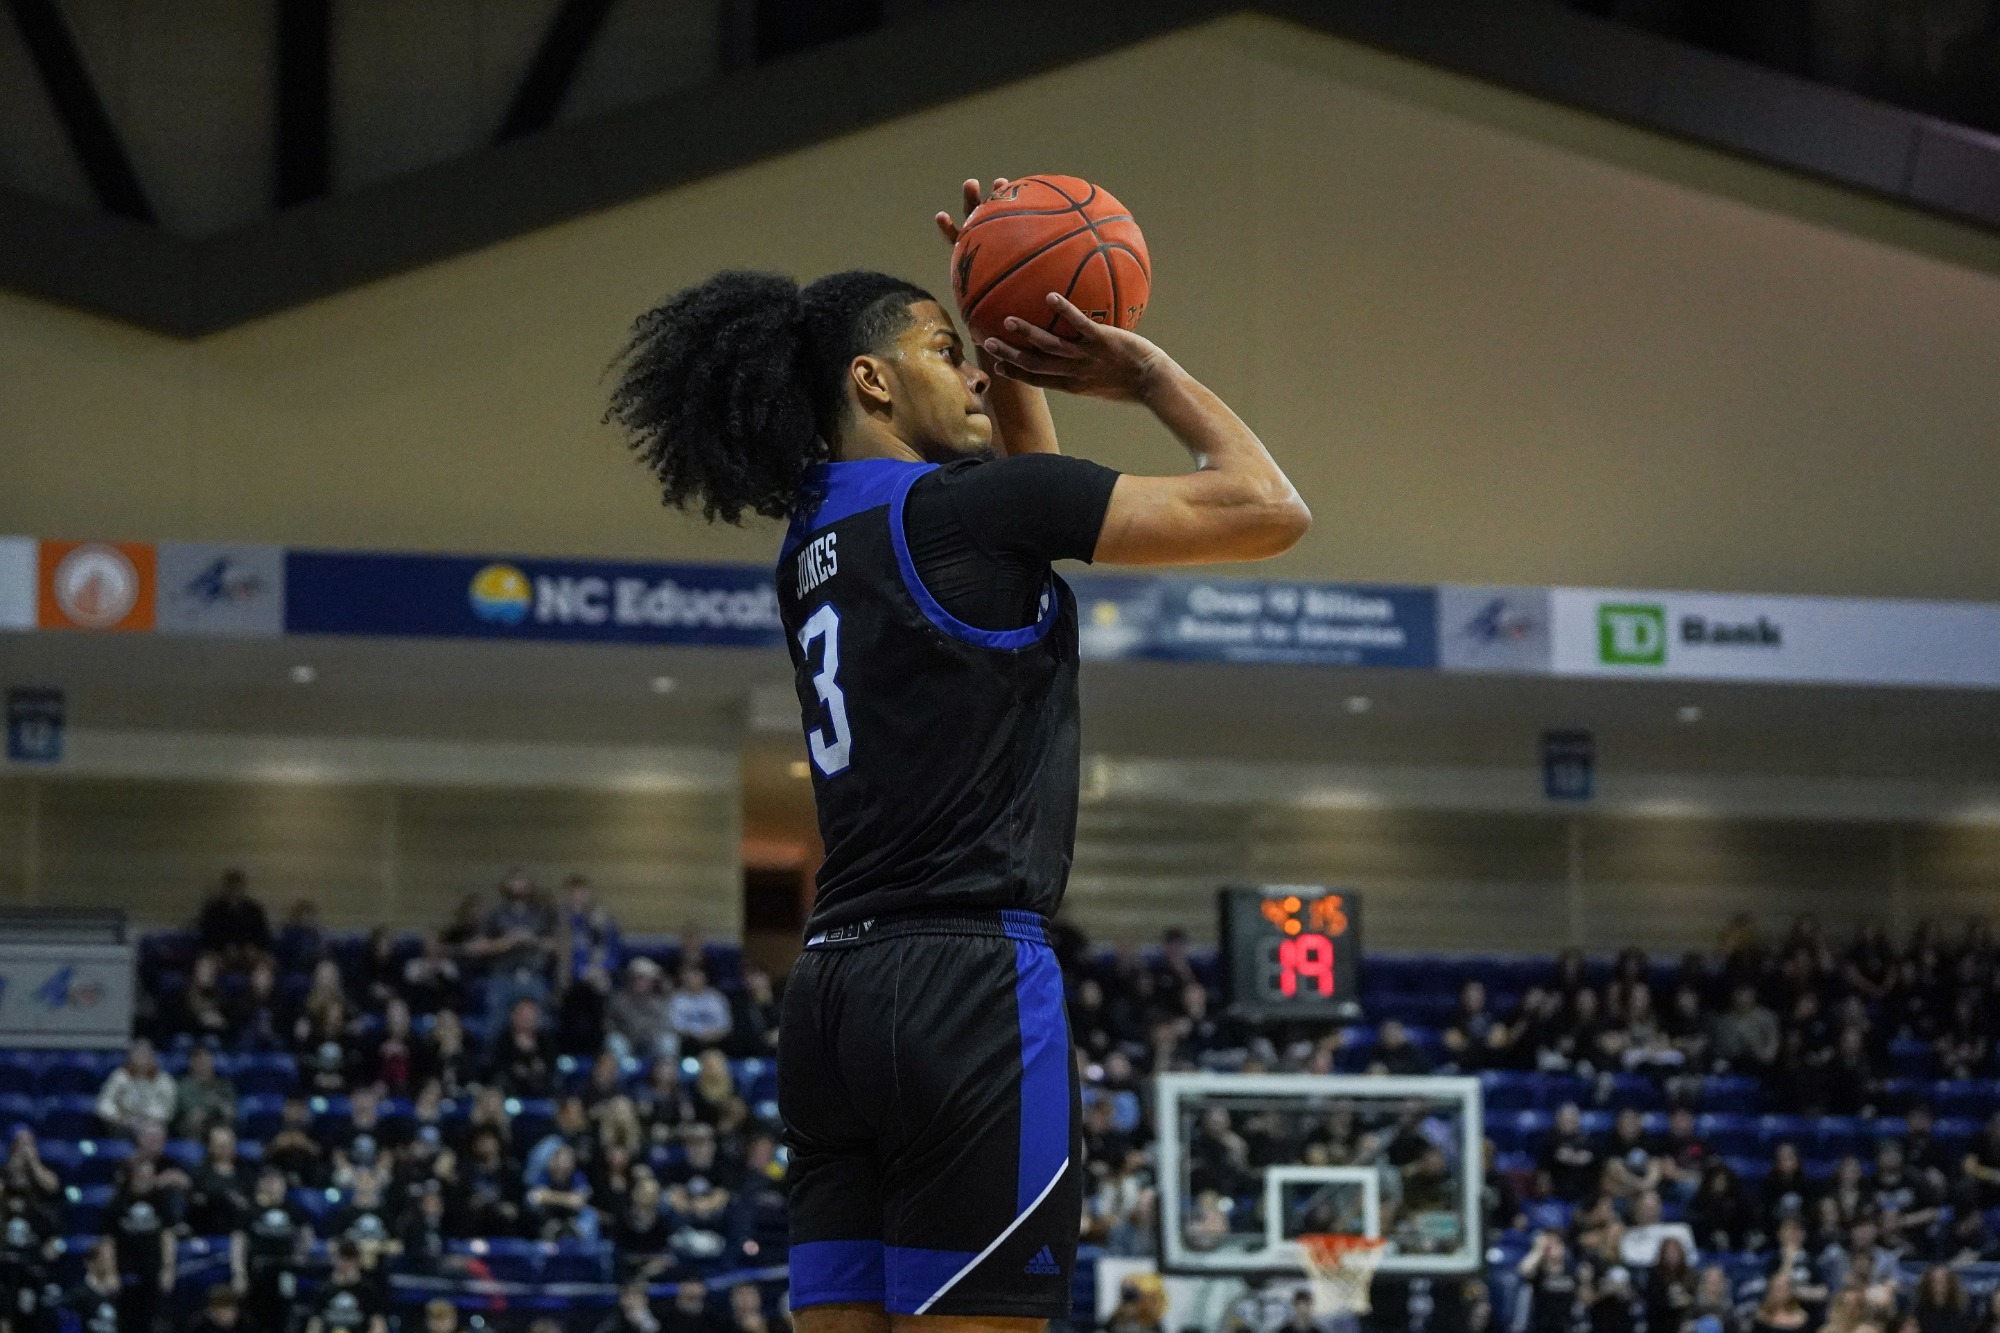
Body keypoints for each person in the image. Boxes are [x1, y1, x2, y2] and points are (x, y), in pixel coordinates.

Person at [604, 178, 1307, 1329]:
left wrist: (1002, 342)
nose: (973, 372)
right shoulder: (970, 515)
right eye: (945, 350)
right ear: (870, 380)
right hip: (964, 984)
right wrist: (1144, 373)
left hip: (830, 991)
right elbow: (1266, 508)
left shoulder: (814, 540)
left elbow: (1011, 510)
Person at [476, 870, 556, 1031]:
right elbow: (480, 946)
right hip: (503, 976)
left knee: (539, 1025)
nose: (518, 885)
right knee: (497, 1024)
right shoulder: (495, 913)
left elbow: (554, 945)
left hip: (533, 975)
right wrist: (506, 942)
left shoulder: (541, 913)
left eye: (522, 880)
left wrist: (531, 939)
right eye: (514, 880)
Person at [96, 1038, 177, 1137]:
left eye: (146, 1055)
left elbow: (168, 1110)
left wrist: (146, 1119)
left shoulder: (164, 1080)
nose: (142, 1060)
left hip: (152, 1125)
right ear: (131, 1058)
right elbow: (104, 1103)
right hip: (123, 1124)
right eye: (138, 1055)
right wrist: (120, 1117)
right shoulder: (119, 1077)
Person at [305, 1239, 389, 1333]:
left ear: (357, 1260)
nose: (346, 1263)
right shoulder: (323, 1289)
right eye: (342, 1258)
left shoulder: (368, 1290)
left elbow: (378, 1325)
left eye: (350, 1258)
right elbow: (314, 1325)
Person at [196, 868, 272, 968]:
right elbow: (207, 938)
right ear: (225, 888)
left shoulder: (255, 910)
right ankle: (203, 984)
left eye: (238, 887)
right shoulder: (213, 910)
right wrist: (219, 951)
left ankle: (260, 984)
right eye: (231, 887)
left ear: (243, 888)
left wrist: (253, 949)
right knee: (204, 966)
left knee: (265, 966)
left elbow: (263, 936)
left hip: (249, 955)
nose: (234, 891)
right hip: (219, 955)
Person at [174, 1042, 238, 1139]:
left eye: (207, 1059)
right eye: (199, 1059)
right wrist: (214, 1105)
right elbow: (187, 1107)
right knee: (195, 1117)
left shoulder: (223, 1084)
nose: (204, 1063)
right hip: (193, 1127)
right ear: (191, 1062)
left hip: (218, 1123)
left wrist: (213, 1106)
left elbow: (229, 1106)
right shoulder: (183, 1085)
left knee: (228, 1114)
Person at [668, 965, 734, 1052]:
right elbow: (675, 1024)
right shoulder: (677, 998)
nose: (693, 980)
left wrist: (714, 1033)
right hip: (688, 1039)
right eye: (691, 977)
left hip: (715, 1038)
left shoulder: (716, 998)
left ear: (704, 978)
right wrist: (695, 1033)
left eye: (697, 976)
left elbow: (725, 1023)